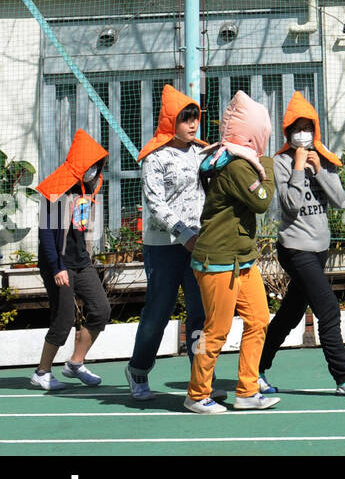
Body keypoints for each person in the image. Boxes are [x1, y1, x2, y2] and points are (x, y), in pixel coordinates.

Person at [258, 92, 345, 397]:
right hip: (295, 250)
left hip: (319, 250)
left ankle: (255, 369)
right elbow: (290, 206)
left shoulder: (324, 158)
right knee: (328, 310)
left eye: (307, 126)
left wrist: (319, 170)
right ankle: (344, 379)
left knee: (290, 315)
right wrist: (298, 167)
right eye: (296, 128)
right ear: (288, 132)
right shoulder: (281, 163)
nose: (302, 133)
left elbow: (339, 200)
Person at [185, 91, 278, 414]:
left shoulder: (230, 159)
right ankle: (197, 394)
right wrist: (267, 162)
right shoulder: (239, 166)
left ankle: (247, 390)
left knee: (258, 320)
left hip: (242, 258)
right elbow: (262, 200)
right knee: (217, 330)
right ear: (255, 134)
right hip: (219, 261)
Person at [126, 85, 210, 401]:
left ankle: (202, 378)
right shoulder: (154, 158)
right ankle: (138, 369)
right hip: (163, 247)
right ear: (169, 123)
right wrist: (183, 234)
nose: (192, 125)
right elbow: (156, 204)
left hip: (199, 244)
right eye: (185, 120)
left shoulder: (202, 152)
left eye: (195, 118)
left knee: (200, 314)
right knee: (158, 312)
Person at [31, 130, 111, 391]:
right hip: (59, 266)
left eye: (97, 167)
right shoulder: (55, 188)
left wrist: (87, 256)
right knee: (63, 319)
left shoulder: (87, 188)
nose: (94, 171)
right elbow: (46, 235)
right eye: (91, 165)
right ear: (80, 163)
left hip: (82, 263)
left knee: (101, 310)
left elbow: (80, 227)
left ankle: (75, 363)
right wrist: (57, 267)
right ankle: (42, 372)